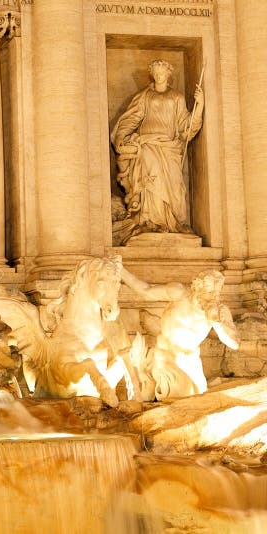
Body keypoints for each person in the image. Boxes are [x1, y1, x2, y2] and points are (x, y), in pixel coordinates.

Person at [111, 59, 203, 244]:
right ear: (152, 74)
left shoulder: (177, 97)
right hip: (148, 145)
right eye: (156, 72)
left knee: (175, 186)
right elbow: (132, 118)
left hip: (170, 148)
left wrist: (199, 106)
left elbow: (186, 126)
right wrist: (122, 136)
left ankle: (171, 223)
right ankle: (150, 221)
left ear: (169, 74)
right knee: (151, 181)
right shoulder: (145, 96)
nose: (159, 75)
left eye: (163, 72)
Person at [120, 267, 239, 400]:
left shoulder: (220, 311)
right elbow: (146, 291)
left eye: (217, 293)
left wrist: (218, 324)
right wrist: (121, 271)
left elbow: (234, 344)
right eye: (210, 292)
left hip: (190, 361)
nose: (214, 297)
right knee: (182, 397)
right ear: (198, 287)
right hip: (165, 357)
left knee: (197, 401)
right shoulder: (179, 293)